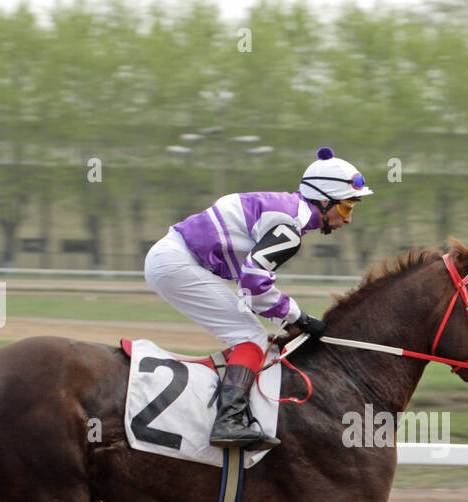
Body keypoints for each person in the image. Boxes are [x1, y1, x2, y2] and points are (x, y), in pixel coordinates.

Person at [143, 146, 373, 450]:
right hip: (177, 264)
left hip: (174, 259)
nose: (348, 218)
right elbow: (253, 284)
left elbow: (250, 287)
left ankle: (227, 402)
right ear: (323, 200)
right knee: (250, 336)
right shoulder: (289, 227)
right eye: (346, 207)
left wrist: (288, 317)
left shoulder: (286, 210)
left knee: (248, 330)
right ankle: (228, 421)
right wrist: (299, 317)